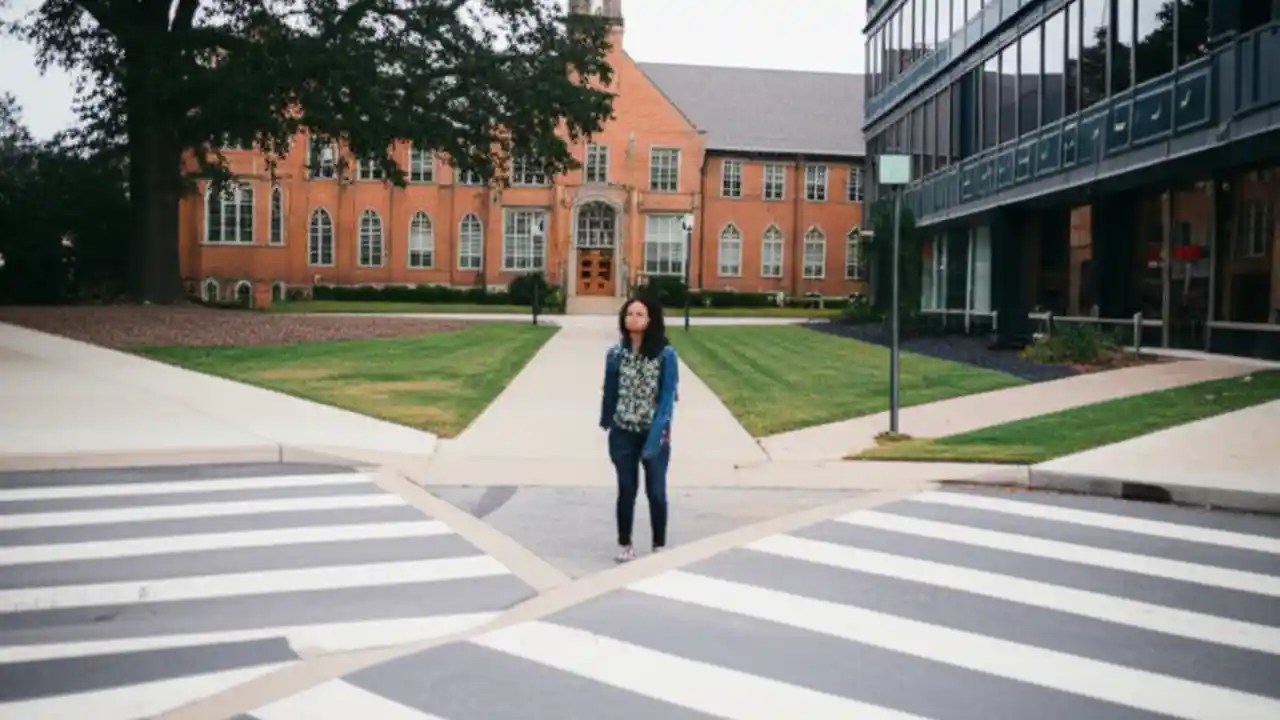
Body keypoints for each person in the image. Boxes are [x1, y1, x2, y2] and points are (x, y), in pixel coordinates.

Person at [599, 295, 679, 563]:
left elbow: (667, 397)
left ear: (650, 320)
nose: (632, 318)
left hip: (654, 432)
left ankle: (659, 544)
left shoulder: (666, 355)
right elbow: (609, 390)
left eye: (639, 314)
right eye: (629, 313)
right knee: (626, 488)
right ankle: (625, 544)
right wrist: (607, 423)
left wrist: (658, 435)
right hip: (623, 432)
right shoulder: (615, 353)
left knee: (655, 491)